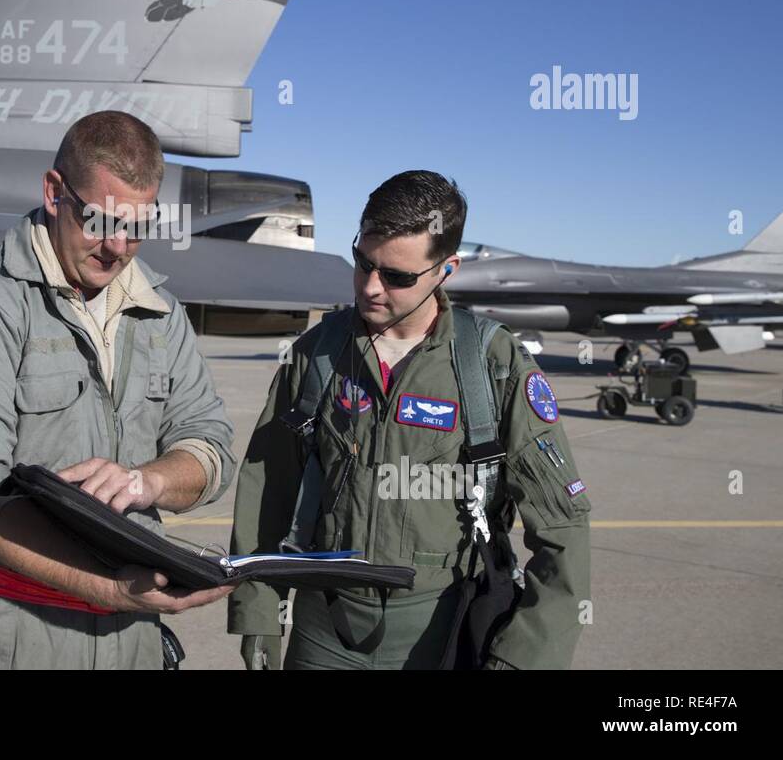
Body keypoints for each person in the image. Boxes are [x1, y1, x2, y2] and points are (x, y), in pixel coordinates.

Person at [0, 110, 238, 669]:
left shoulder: (159, 313)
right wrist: (107, 588)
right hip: (0, 642)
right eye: (100, 220)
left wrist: (147, 481)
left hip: (131, 642)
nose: (118, 247)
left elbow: (211, 444)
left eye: (138, 226)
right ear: (54, 192)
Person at [228, 170, 590, 669]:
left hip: (440, 633)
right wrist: (258, 610)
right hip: (324, 629)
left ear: (446, 269)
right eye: (363, 263)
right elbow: (268, 486)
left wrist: (523, 657)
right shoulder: (317, 355)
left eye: (397, 276)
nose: (371, 287)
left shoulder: (491, 365)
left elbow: (562, 525)